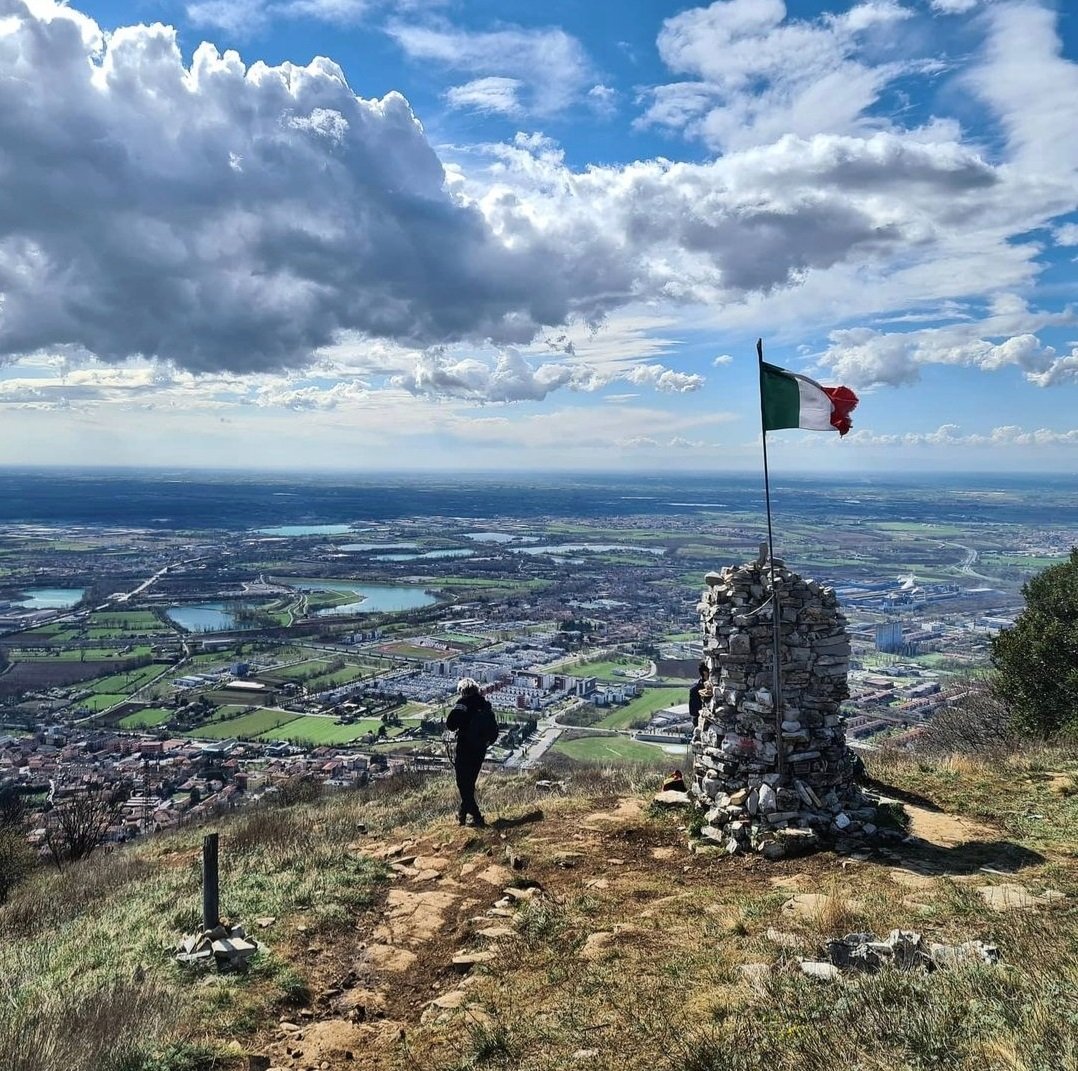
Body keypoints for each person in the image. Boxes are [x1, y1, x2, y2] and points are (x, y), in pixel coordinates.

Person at [446, 677, 499, 827]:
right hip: (480, 750)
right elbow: (494, 731)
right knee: (469, 784)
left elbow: (450, 724)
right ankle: (462, 816)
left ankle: (477, 817)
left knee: (463, 784)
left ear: (462, 691)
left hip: (465, 748)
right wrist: (485, 743)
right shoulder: (485, 705)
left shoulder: (463, 704)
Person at [689, 661, 711, 728]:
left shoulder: (695, 688)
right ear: (705, 673)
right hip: (702, 721)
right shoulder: (697, 690)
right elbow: (694, 713)